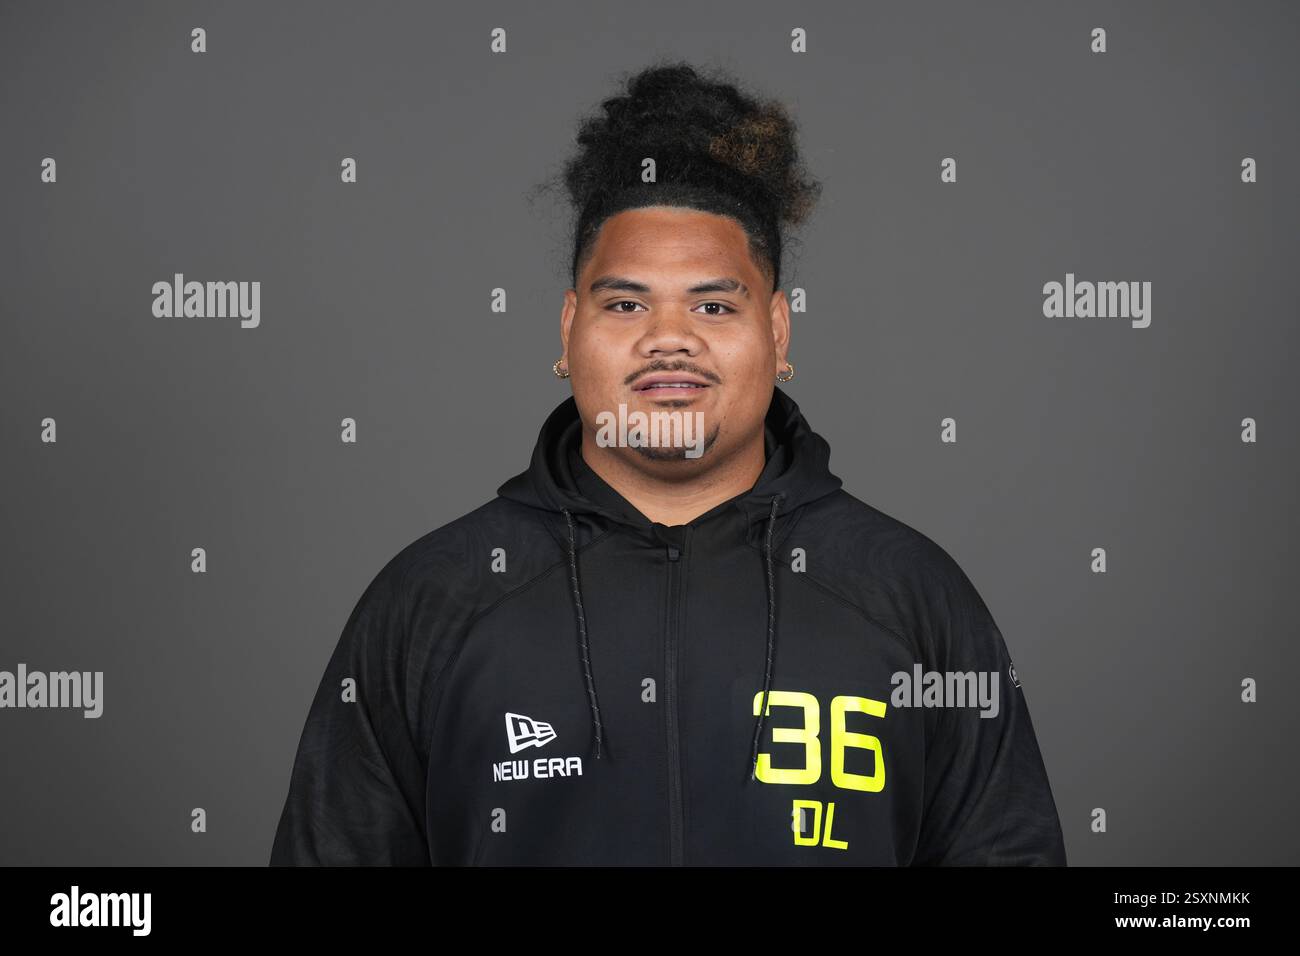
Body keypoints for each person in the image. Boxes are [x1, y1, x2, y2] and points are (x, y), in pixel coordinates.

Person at [270, 60, 1067, 866]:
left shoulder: (908, 594)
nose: (670, 337)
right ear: (568, 329)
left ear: (779, 334)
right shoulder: (434, 597)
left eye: (715, 304)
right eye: (626, 304)